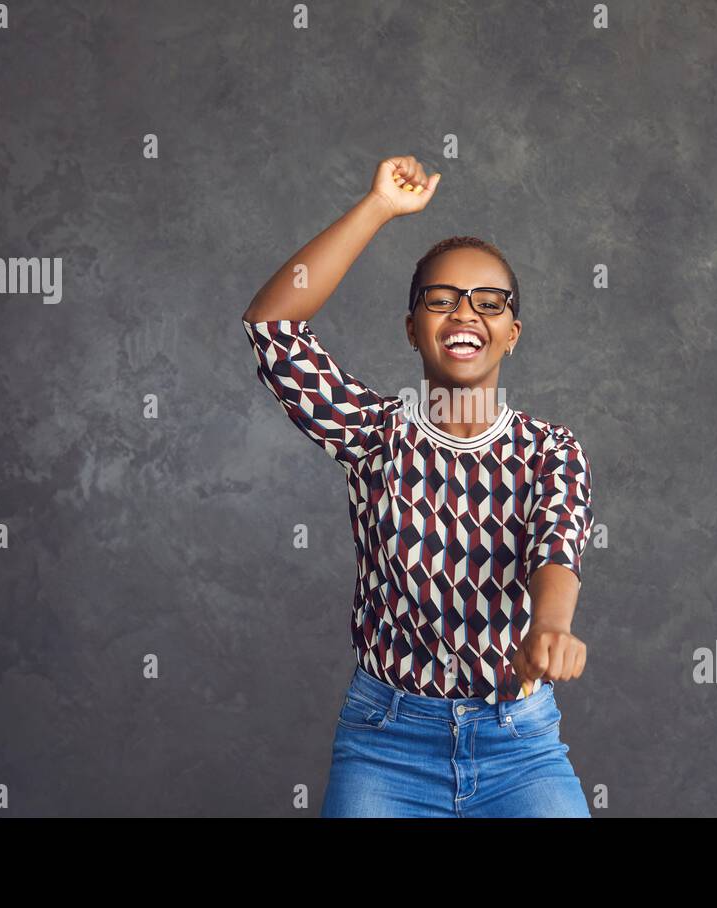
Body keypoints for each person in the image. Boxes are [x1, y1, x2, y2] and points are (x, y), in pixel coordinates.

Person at [241, 154, 595, 817]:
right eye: (441, 299)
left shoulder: (550, 450)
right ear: (413, 327)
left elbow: (557, 548)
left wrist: (551, 627)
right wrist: (379, 206)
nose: (465, 313)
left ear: (512, 334)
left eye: (489, 303)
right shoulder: (373, 433)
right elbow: (273, 328)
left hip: (518, 743)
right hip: (386, 742)